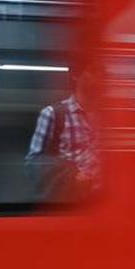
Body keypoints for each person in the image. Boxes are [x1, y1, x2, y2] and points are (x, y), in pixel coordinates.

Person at [25, 67, 99, 201]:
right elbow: (34, 161)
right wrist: (72, 175)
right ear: (76, 75)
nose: (97, 77)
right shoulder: (53, 114)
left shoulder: (109, 117)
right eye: (92, 70)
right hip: (70, 199)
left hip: (102, 200)